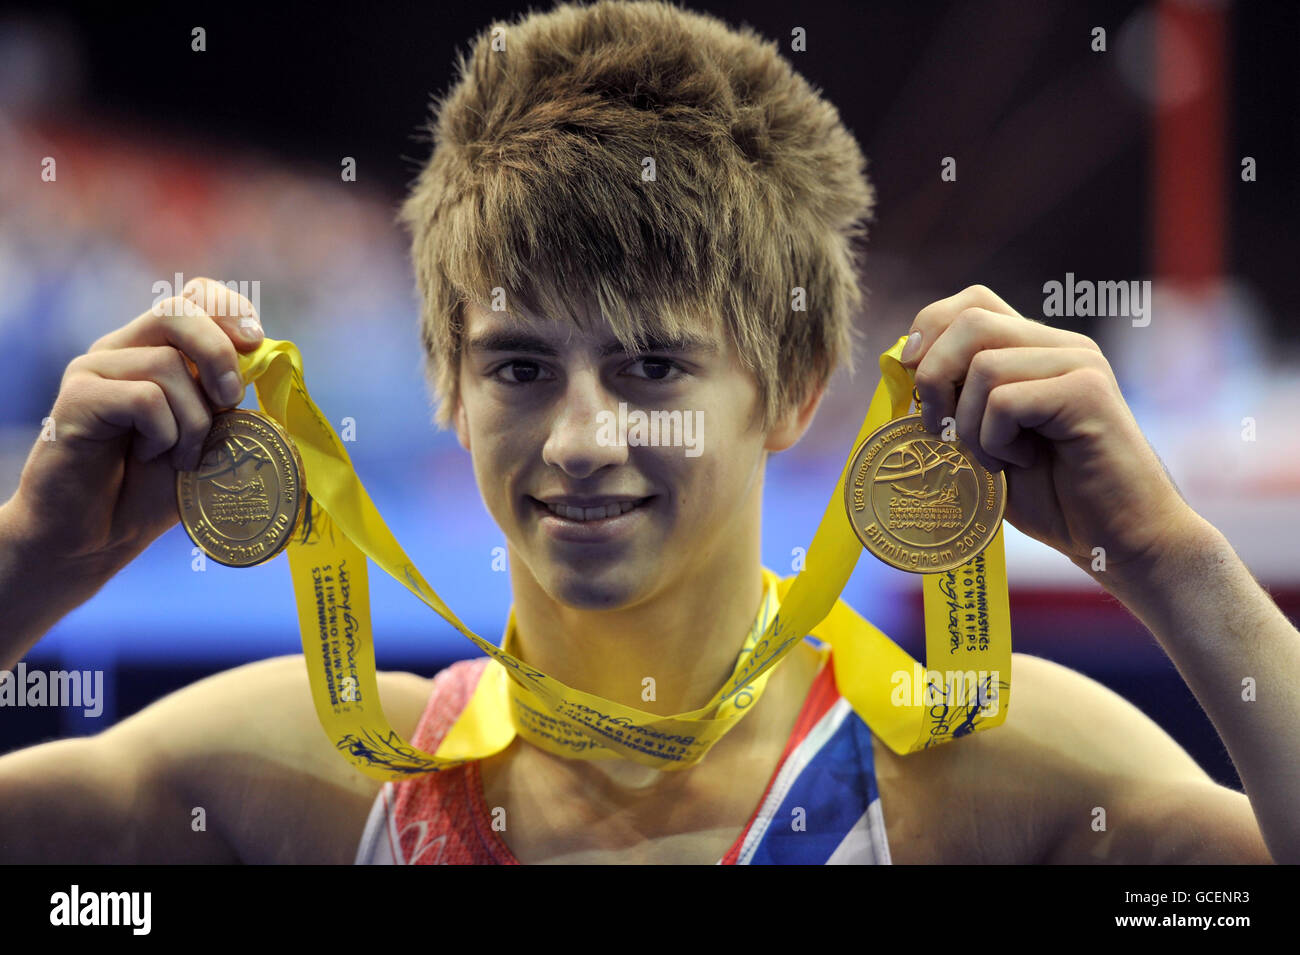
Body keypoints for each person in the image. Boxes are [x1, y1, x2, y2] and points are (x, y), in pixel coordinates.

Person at [0, 1, 1293, 865]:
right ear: (446, 389)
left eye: (653, 365)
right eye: (517, 364)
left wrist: (1167, 555)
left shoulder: (975, 780)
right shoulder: (306, 771)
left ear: (793, 391)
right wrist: (33, 558)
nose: (576, 438)